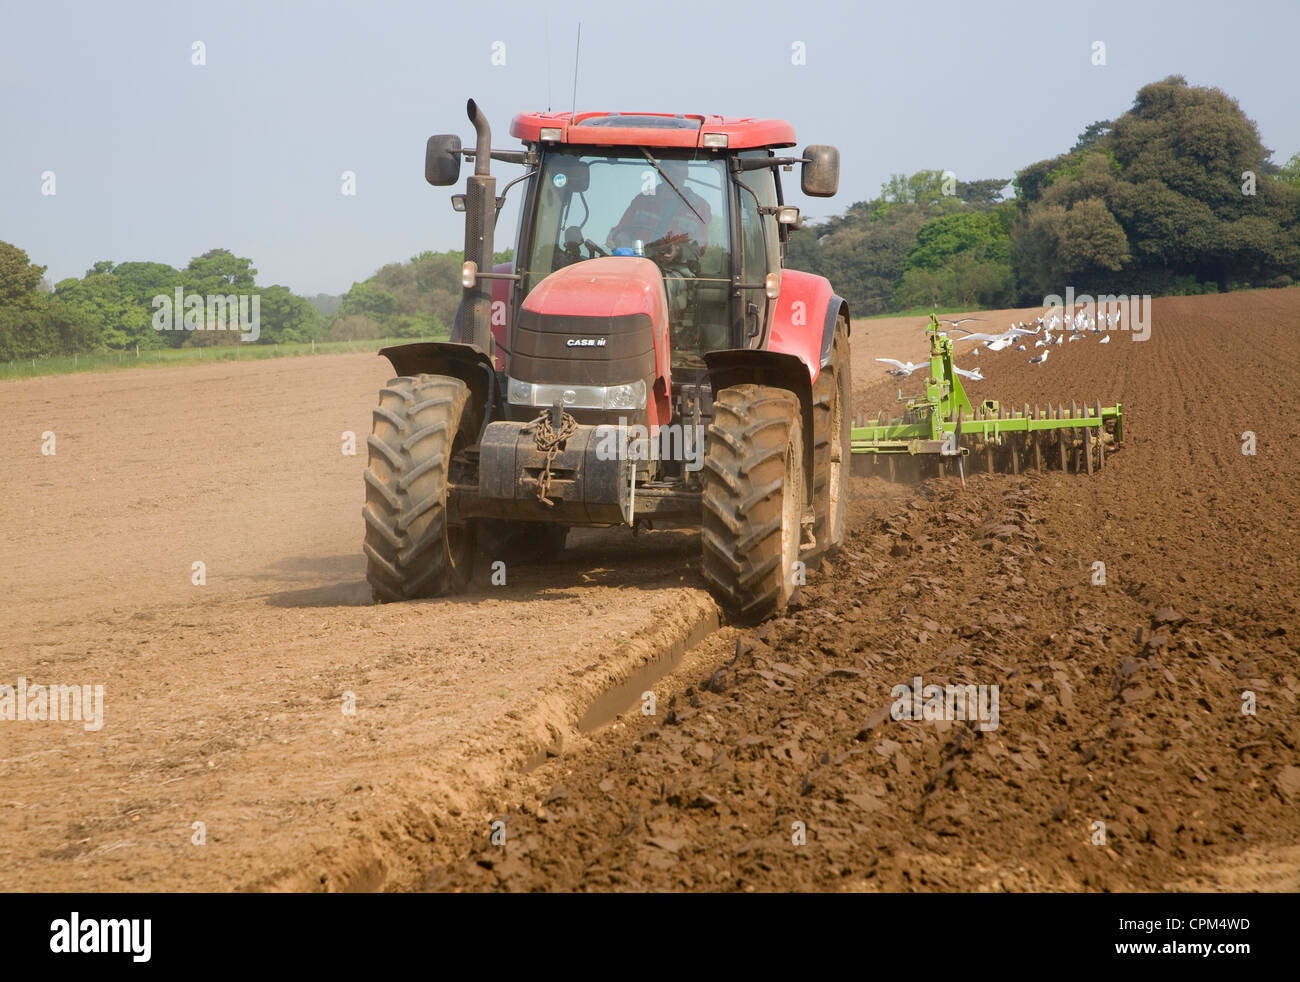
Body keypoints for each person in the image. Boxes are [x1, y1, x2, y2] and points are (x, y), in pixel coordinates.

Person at [609, 159, 710, 271]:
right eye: (668, 166)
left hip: (676, 270)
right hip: (637, 266)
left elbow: (699, 247)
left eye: (678, 164)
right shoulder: (642, 201)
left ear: (686, 171)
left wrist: (677, 250)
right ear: (660, 171)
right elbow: (621, 232)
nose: (673, 170)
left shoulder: (699, 206)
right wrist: (616, 240)